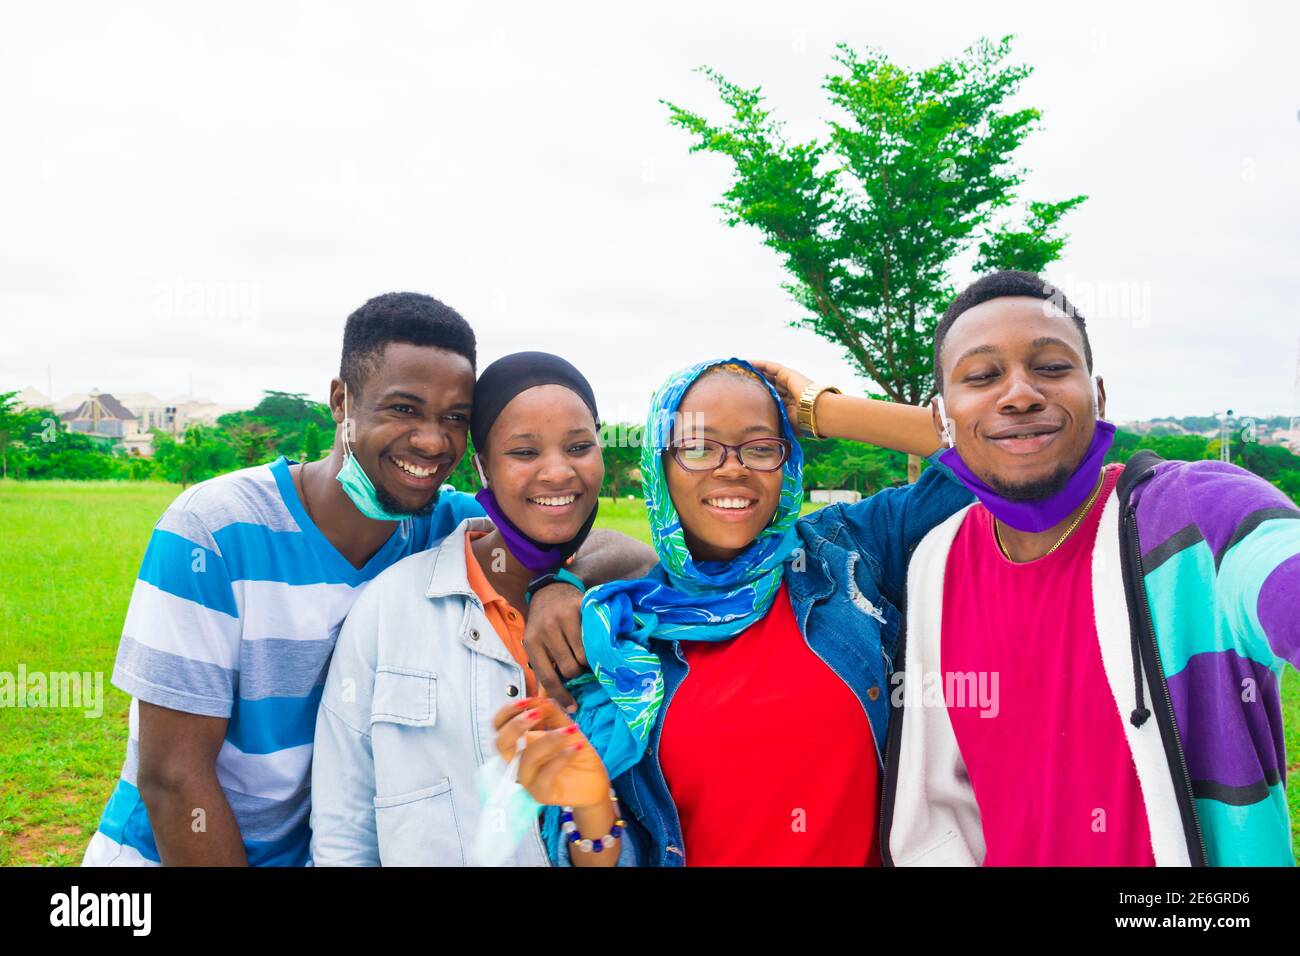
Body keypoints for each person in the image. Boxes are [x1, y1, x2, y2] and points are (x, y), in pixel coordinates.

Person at [82, 297, 650, 867]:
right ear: (341, 402)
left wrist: (562, 581)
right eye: (403, 409)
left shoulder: (439, 523)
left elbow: (579, 537)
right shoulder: (214, 530)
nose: (431, 441)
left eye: (454, 417)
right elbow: (173, 778)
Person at [882, 269, 1300, 866]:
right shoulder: (937, 563)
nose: (1020, 393)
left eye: (1052, 367)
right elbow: (941, 807)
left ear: (1098, 395)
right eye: (981, 376)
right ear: (942, 415)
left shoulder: (1190, 517)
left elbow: (1275, 561)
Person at [495, 356, 973, 866]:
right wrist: (588, 803)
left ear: (787, 461)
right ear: (659, 465)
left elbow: (994, 458)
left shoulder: (852, 552)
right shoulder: (623, 634)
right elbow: (615, 855)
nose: (733, 467)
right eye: (698, 448)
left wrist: (826, 411)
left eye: (761, 446)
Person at [309, 352, 655, 865]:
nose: (558, 472)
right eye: (524, 451)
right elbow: (344, 828)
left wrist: (560, 582)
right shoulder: (391, 606)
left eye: (579, 446)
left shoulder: (638, 609)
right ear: (481, 465)